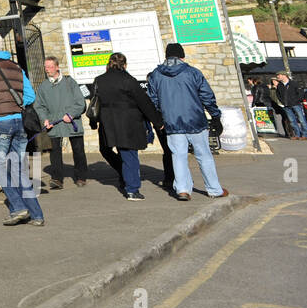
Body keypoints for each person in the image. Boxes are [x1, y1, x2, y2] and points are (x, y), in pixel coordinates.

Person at [146, 43, 229, 200]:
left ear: (167, 56)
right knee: (204, 155)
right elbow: (207, 95)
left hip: (171, 122)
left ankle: (183, 190)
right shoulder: (192, 72)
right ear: (182, 56)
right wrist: (215, 115)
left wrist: (159, 119)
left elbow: (153, 100)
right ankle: (214, 189)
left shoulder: (156, 75)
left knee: (178, 156)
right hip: (195, 120)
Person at [0, 33, 44, 226]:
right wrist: (17, 106)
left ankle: (17, 207)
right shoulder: (16, 66)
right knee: (18, 169)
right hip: (18, 120)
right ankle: (37, 214)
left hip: (1, 121)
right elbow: (30, 96)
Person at [90, 52, 164, 201]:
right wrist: (157, 121)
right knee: (129, 156)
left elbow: (94, 103)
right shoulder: (129, 80)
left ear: (109, 64)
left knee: (106, 150)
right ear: (125, 65)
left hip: (107, 124)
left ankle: (125, 177)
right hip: (128, 124)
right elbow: (144, 103)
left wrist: (93, 121)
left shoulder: (99, 80)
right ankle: (132, 190)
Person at [34, 56, 87, 188]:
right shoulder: (43, 87)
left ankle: (81, 177)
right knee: (55, 153)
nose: (47, 70)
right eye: (46, 67)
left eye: (50, 67)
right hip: (54, 123)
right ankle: (57, 179)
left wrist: (72, 114)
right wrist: (44, 119)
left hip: (71, 122)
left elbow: (80, 102)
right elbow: (39, 106)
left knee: (78, 150)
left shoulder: (70, 82)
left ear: (57, 67)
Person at [275, 72, 307, 140]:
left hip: (296, 104)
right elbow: (278, 95)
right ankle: (297, 134)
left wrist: (296, 101)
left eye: (279, 75)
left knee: (301, 119)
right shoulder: (280, 85)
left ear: (284, 75)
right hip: (286, 105)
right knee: (292, 121)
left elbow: (300, 93)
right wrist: (283, 102)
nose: (277, 77)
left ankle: (305, 135)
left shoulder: (294, 83)